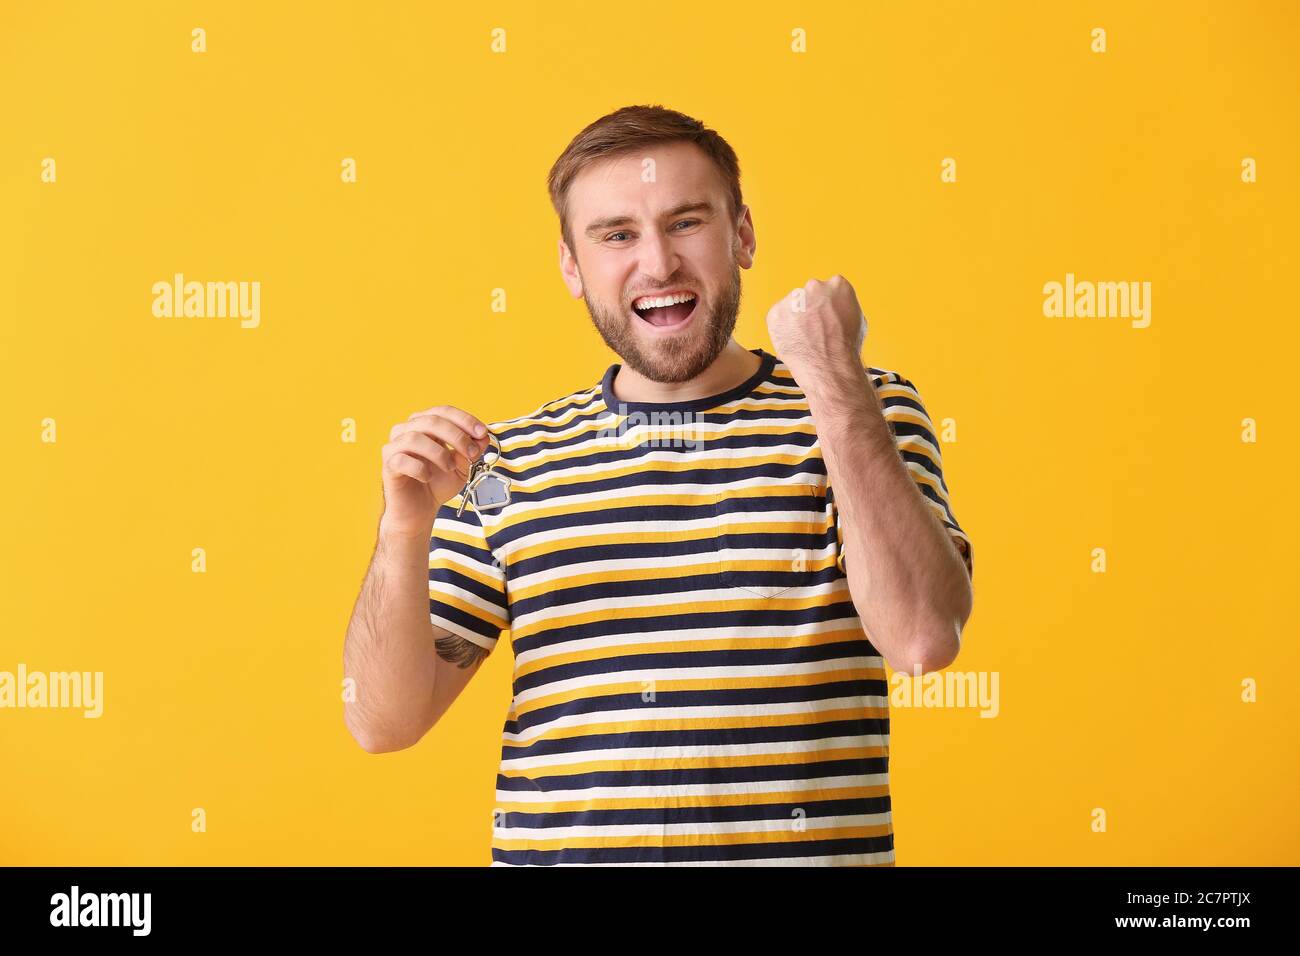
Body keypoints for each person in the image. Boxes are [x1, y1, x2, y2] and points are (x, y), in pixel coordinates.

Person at [343, 104, 974, 866]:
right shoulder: (507, 464)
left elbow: (920, 639)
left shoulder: (861, 410)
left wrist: (834, 378)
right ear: (572, 267)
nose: (659, 263)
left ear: (742, 235)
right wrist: (403, 533)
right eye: (617, 235)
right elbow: (383, 723)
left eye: (686, 223)